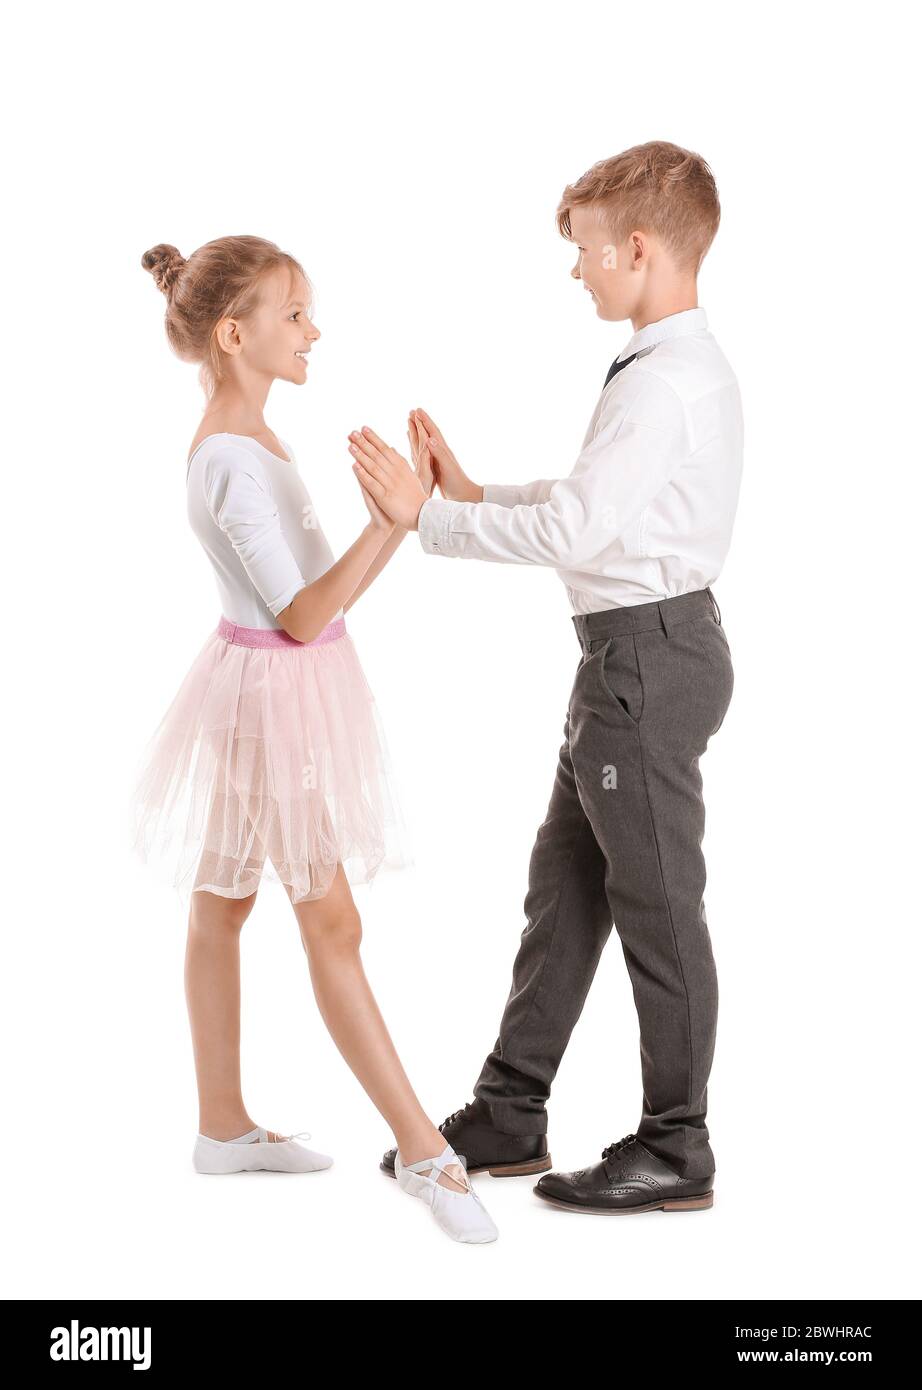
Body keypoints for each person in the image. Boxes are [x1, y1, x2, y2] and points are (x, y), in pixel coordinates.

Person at [350, 140, 743, 1215]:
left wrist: (428, 518)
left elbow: (574, 525)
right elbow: (591, 501)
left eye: (583, 252)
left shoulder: (666, 382)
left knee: (658, 907)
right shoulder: (659, 367)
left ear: (637, 246)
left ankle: (677, 1143)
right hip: (623, 661)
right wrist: (472, 491)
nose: (575, 272)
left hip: (644, 668)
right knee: (562, 892)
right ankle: (512, 1109)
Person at [129, 234, 498, 1243]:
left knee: (223, 899)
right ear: (234, 332)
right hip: (269, 695)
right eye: (294, 315)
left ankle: (221, 1126)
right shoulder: (229, 458)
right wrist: (392, 523)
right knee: (329, 924)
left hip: (269, 688)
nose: (314, 330)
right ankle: (425, 1150)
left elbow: (309, 606)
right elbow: (300, 614)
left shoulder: (247, 437)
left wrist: (395, 520)